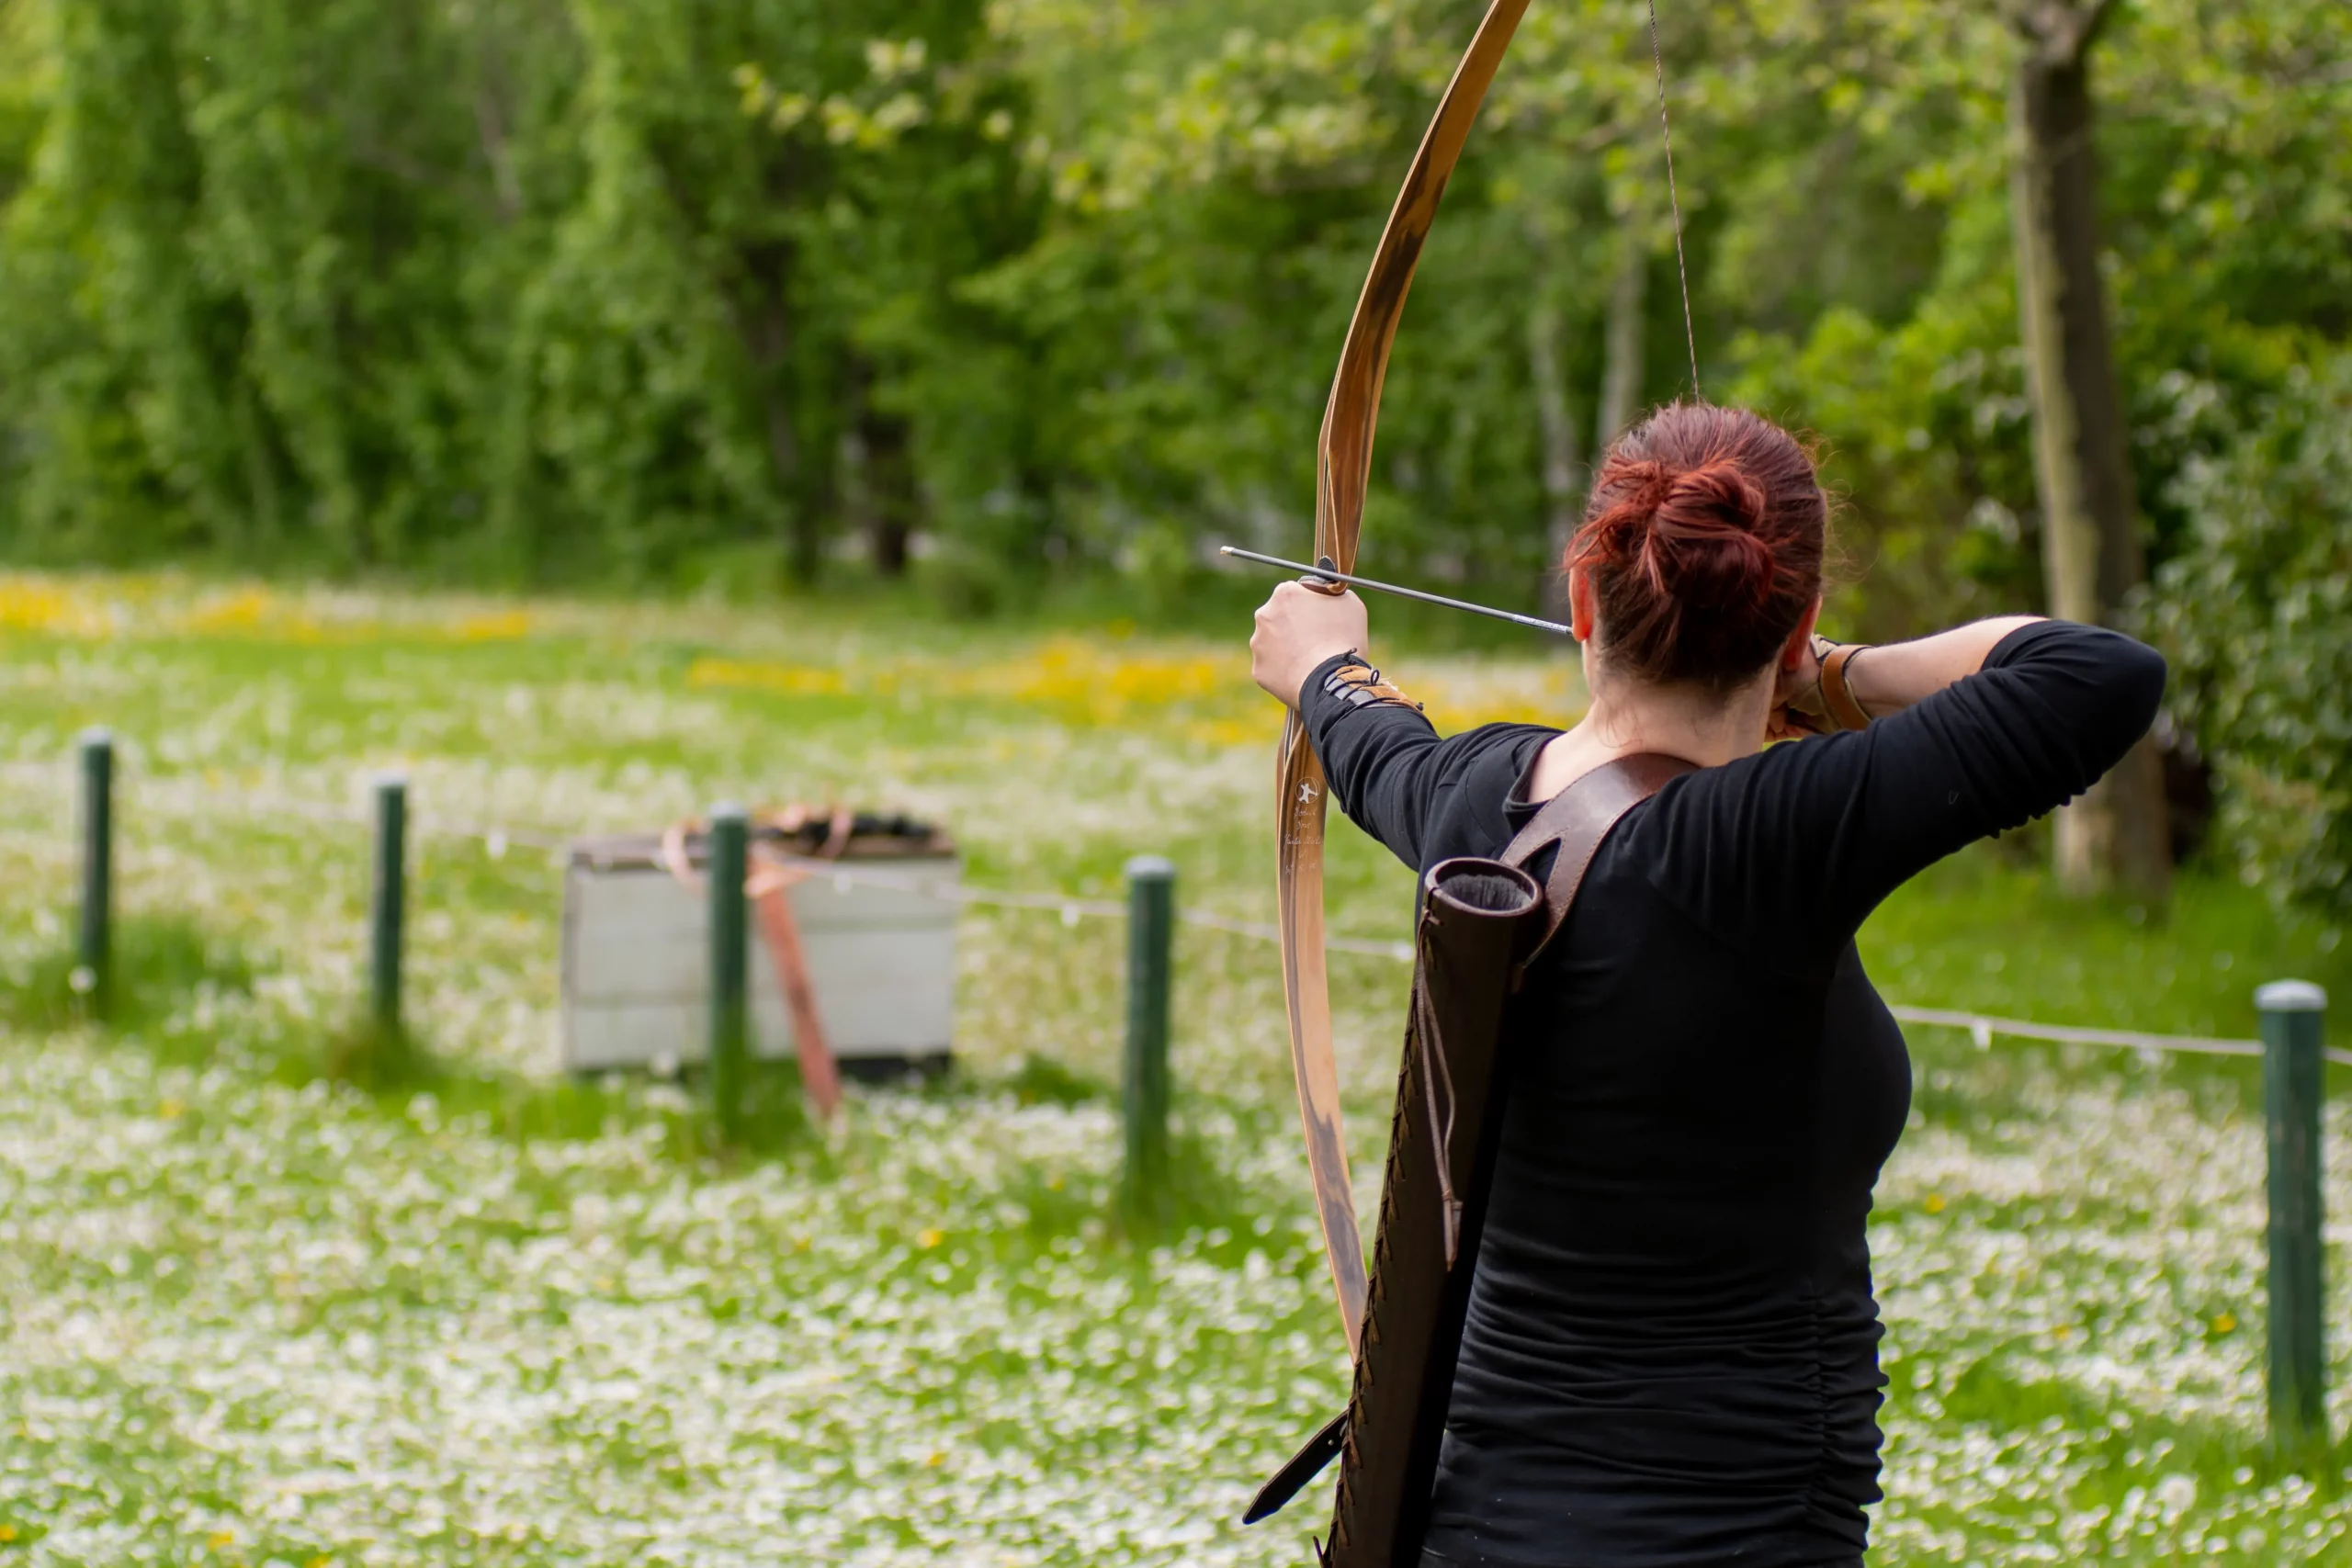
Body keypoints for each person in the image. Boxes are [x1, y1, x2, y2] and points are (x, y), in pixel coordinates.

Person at [1248, 402, 2165, 1568]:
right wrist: (1836, 679)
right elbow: (2094, 672)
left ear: (1583, 604)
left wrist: (1324, 664)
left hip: (1472, 1519)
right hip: (1738, 1530)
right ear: (1796, 624)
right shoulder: (1768, 841)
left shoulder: (1471, 802)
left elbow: (1371, 736)